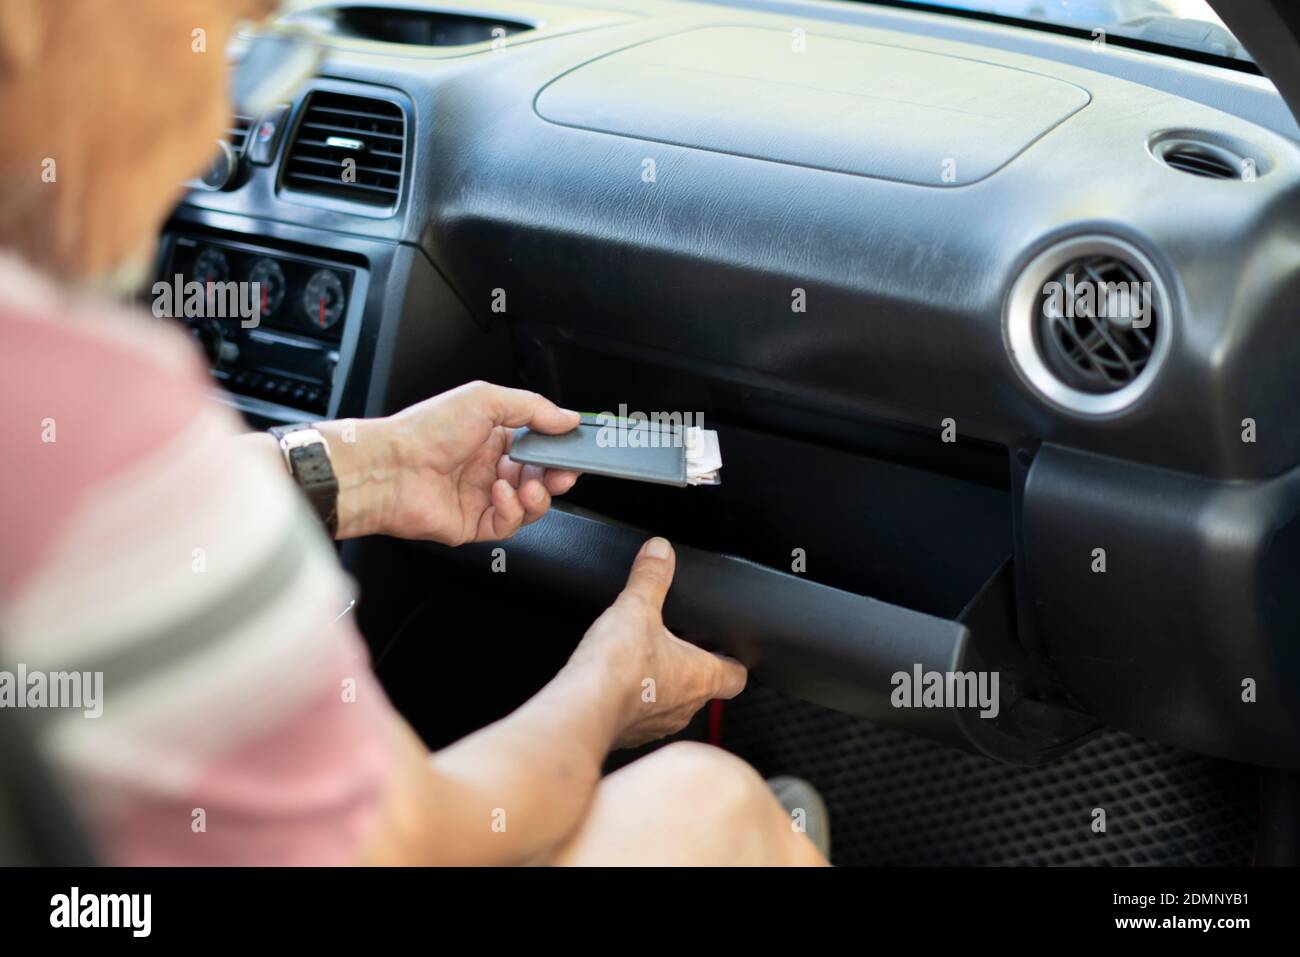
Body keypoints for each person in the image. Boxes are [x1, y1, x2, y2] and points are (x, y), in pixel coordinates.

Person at [0, 0, 826, 865]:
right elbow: (417, 838)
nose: (221, 123)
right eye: (218, 40)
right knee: (711, 803)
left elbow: (120, 542)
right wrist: (612, 687)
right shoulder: (95, 410)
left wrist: (370, 466)